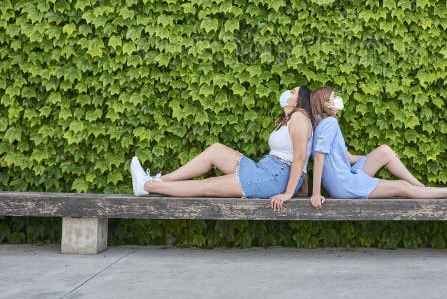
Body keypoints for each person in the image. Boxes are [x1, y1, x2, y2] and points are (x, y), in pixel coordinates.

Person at [130, 86, 313, 212]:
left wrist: (289, 193)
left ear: (299, 100)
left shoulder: (299, 117)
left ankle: (147, 186)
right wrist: (302, 188)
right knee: (215, 150)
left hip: (274, 177)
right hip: (267, 169)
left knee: (207, 185)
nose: (287, 93)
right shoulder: (290, 119)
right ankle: (159, 179)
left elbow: (300, 157)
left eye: (292, 91)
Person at [308, 86, 447, 209]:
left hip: (347, 176)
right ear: (327, 104)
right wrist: (316, 193)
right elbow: (319, 157)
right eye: (334, 97)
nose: (338, 99)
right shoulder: (330, 123)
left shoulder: (324, 124)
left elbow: (349, 158)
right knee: (401, 186)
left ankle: (422, 189)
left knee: (385, 150)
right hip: (345, 184)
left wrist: (386, 158)